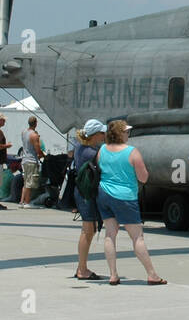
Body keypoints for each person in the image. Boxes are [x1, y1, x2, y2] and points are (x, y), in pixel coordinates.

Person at [97, 120, 165, 285]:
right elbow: (143, 177)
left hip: (104, 193)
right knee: (137, 237)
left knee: (110, 234)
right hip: (125, 197)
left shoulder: (102, 150)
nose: (128, 134)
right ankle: (152, 274)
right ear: (119, 133)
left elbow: (100, 168)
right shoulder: (132, 152)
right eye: (126, 131)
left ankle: (113, 274)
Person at [71, 119, 106, 280]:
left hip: (81, 192)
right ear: (95, 135)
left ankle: (81, 266)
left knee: (88, 230)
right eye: (102, 133)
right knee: (88, 230)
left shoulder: (80, 147)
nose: (104, 136)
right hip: (86, 194)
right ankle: (82, 269)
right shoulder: (91, 153)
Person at [19, 116, 42, 208]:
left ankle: (22, 201)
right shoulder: (34, 135)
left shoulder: (24, 132)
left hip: (24, 159)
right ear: (36, 123)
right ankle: (27, 202)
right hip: (31, 160)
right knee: (30, 182)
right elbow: (38, 150)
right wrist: (43, 155)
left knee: (25, 181)